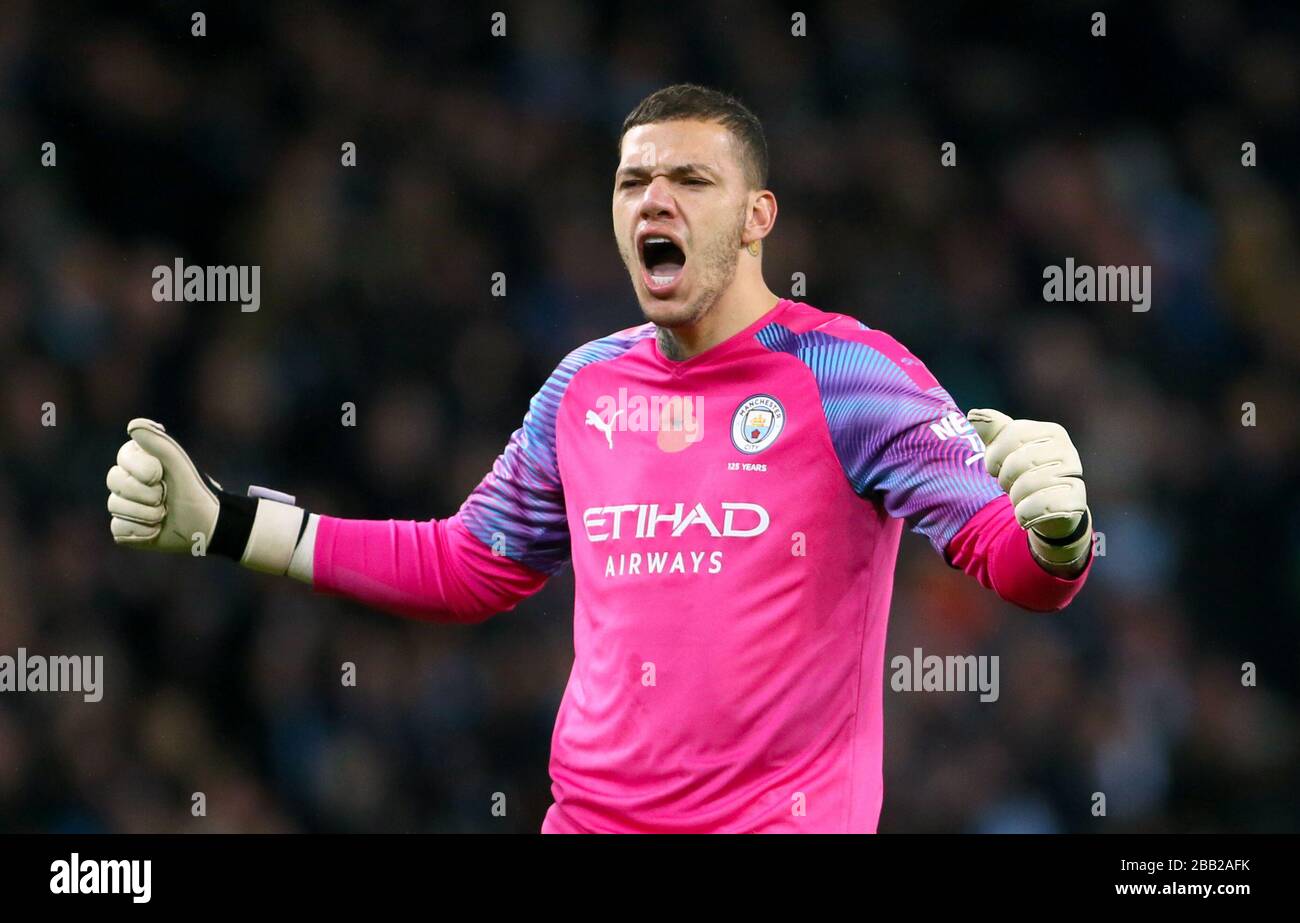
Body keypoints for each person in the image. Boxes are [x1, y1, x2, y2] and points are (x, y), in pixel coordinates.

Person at [106, 84, 1093, 833]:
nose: (653, 200)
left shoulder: (850, 374)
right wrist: (227, 523)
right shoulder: (581, 389)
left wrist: (1059, 533)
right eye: (632, 182)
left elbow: (1009, 560)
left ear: (758, 217)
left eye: (691, 181)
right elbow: (466, 565)